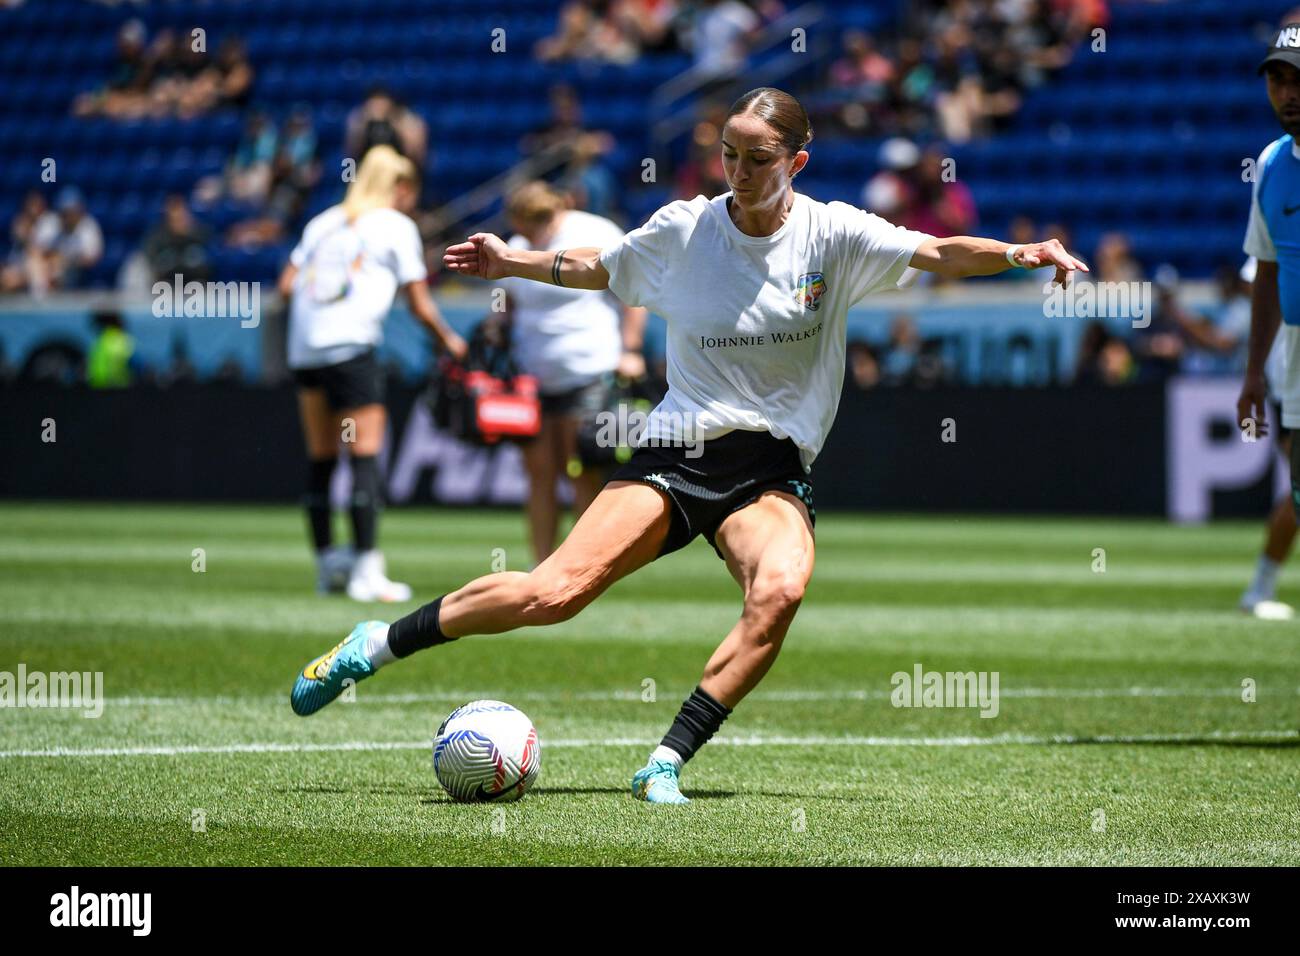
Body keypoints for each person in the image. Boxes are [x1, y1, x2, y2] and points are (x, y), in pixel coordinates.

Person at [288, 87, 1086, 803]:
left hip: (769, 470)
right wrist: (512, 261)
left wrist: (1022, 254)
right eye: (730, 153)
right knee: (553, 594)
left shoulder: (835, 235)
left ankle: (665, 760)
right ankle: (374, 644)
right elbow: (602, 267)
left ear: (796, 161)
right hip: (675, 453)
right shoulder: (684, 229)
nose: (738, 169)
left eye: (759, 157)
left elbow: (939, 251)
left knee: (779, 590)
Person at [278, 145, 467, 602]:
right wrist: (450, 340)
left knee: (322, 460)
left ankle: (328, 567)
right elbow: (419, 302)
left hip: (305, 349)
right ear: (400, 187)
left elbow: (286, 286)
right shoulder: (397, 226)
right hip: (352, 346)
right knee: (363, 457)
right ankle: (366, 568)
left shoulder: (323, 222)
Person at [499, 181, 647, 566]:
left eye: (529, 227)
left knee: (581, 469)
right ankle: (542, 565)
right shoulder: (517, 243)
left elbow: (634, 295)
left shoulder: (595, 232)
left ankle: (585, 565)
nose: (524, 235)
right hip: (532, 378)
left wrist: (630, 349)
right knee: (539, 474)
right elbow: (510, 305)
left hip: (589, 369)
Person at [1236, 25, 1300, 621]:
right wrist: (1253, 372)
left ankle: (1259, 585)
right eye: (1278, 80)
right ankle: (1259, 587)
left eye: (1297, 79)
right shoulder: (1273, 163)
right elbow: (1268, 271)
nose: (1288, 92)